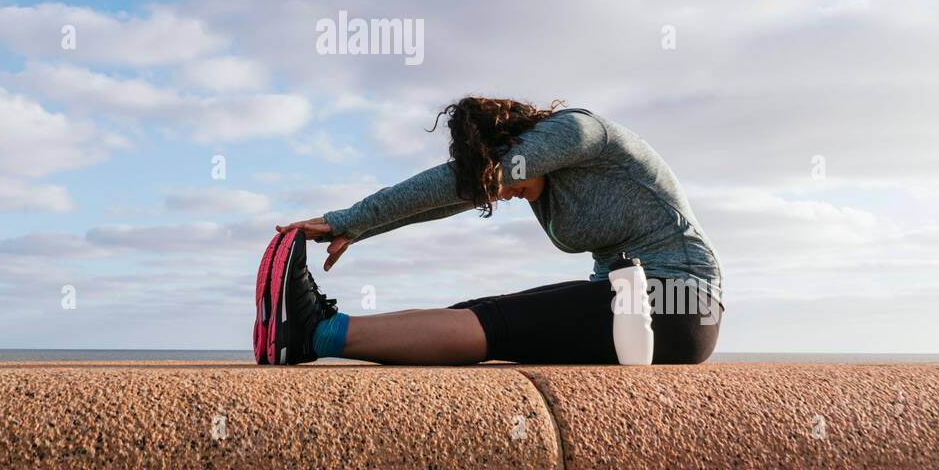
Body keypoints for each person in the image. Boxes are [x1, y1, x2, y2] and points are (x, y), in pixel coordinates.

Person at [254, 97, 724, 365]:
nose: (499, 194)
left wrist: (348, 217)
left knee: (493, 326)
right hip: (627, 304)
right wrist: (357, 231)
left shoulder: (579, 132)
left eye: (497, 179)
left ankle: (313, 335)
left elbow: (457, 185)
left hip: (677, 303)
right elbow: (453, 198)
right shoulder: (541, 173)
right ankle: (318, 331)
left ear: (519, 143)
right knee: (480, 314)